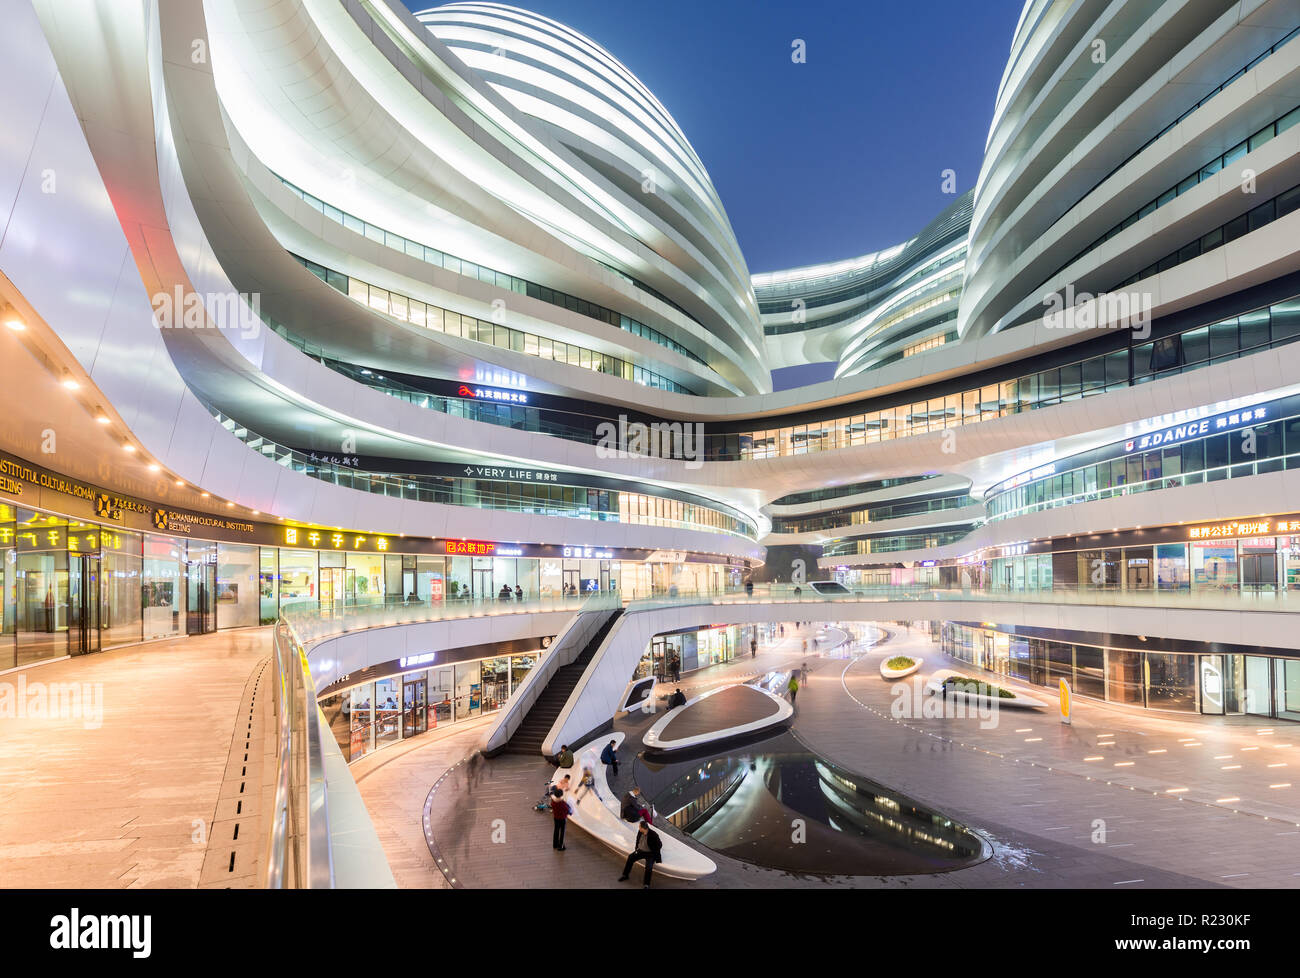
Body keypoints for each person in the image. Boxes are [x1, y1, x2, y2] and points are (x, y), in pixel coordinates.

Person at [618, 820, 662, 888]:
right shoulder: (640, 832)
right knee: (630, 857)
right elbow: (637, 840)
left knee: (648, 867)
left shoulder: (653, 834)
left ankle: (646, 885)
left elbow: (660, 845)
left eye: (639, 827)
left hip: (650, 854)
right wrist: (636, 848)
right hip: (640, 851)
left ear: (643, 828)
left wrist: (654, 850)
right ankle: (625, 875)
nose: (639, 828)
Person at [549, 787, 571, 851]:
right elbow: (567, 810)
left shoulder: (553, 801)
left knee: (556, 830)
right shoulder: (562, 803)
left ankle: (555, 844)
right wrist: (569, 812)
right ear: (561, 795)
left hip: (556, 818)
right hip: (562, 819)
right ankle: (561, 846)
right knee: (562, 832)